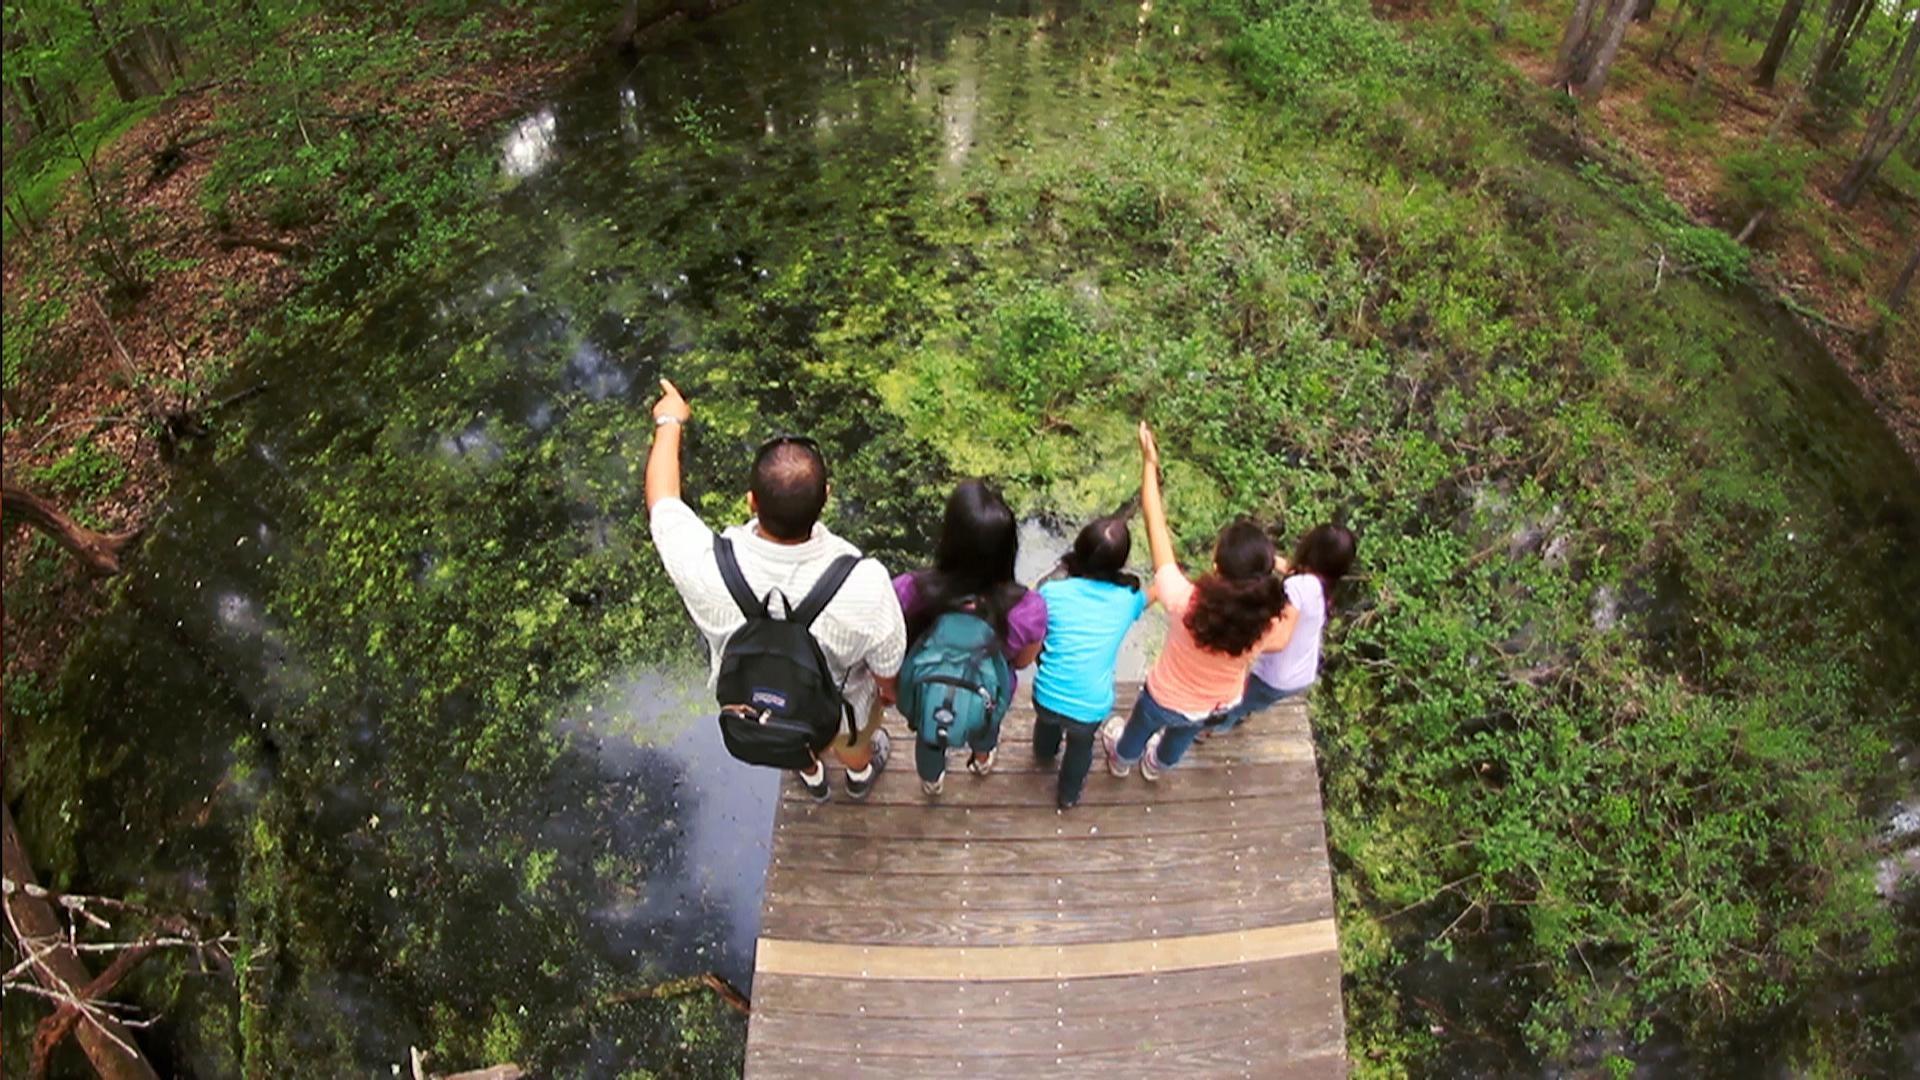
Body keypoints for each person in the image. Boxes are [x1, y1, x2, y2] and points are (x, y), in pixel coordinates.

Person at [644, 379, 907, 803]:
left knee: (791, 737)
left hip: (761, 705)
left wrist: (670, 417)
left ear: (751, 501)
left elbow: (663, 503)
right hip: (842, 711)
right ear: (826, 497)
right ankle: (858, 776)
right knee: (852, 741)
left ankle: (812, 776)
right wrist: (889, 697)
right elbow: (887, 672)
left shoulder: (706, 565)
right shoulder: (865, 582)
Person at [1103, 422, 1297, 780]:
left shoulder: (1184, 600)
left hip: (1162, 697)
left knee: (1137, 729)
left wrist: (1149, 463)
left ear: (1216, 565)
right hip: (1212, 705)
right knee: (1181, 735)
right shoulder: (1264, 625)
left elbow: (1155, 524)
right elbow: (1289, 619)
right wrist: (1282, 568)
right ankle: (1156, 765)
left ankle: (1122, 759)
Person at [893, 480, 1047, 795]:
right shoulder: (1027, 608)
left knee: (929, 737)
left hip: (927, 696)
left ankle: (932, 781)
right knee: (985, 728)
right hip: (986, 694)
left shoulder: (910, 590)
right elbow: (1022, 662)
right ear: (1007, 547)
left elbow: (894, 646)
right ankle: (981, 759)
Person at [1032, 515, 1147, 809]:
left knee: (1047, 724)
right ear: (1121, 562)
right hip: (1090, 706)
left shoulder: (1051, 592)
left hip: (1046, 693)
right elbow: (1159, 590)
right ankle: (1068, 796)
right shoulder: (1129, 599)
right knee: (1081, 747)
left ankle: (1044, 753)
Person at [1210, 523, 1356, 735]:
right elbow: (1297, 575)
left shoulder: (1296, 588)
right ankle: (1242, 712)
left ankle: (1213, 728)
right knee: (1253, 700)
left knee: (1233, 703)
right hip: (1302, 673)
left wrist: (1240, 644)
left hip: (1276, 677)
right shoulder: (1322, 585)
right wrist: (1268, 559)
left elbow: (1280, 639)